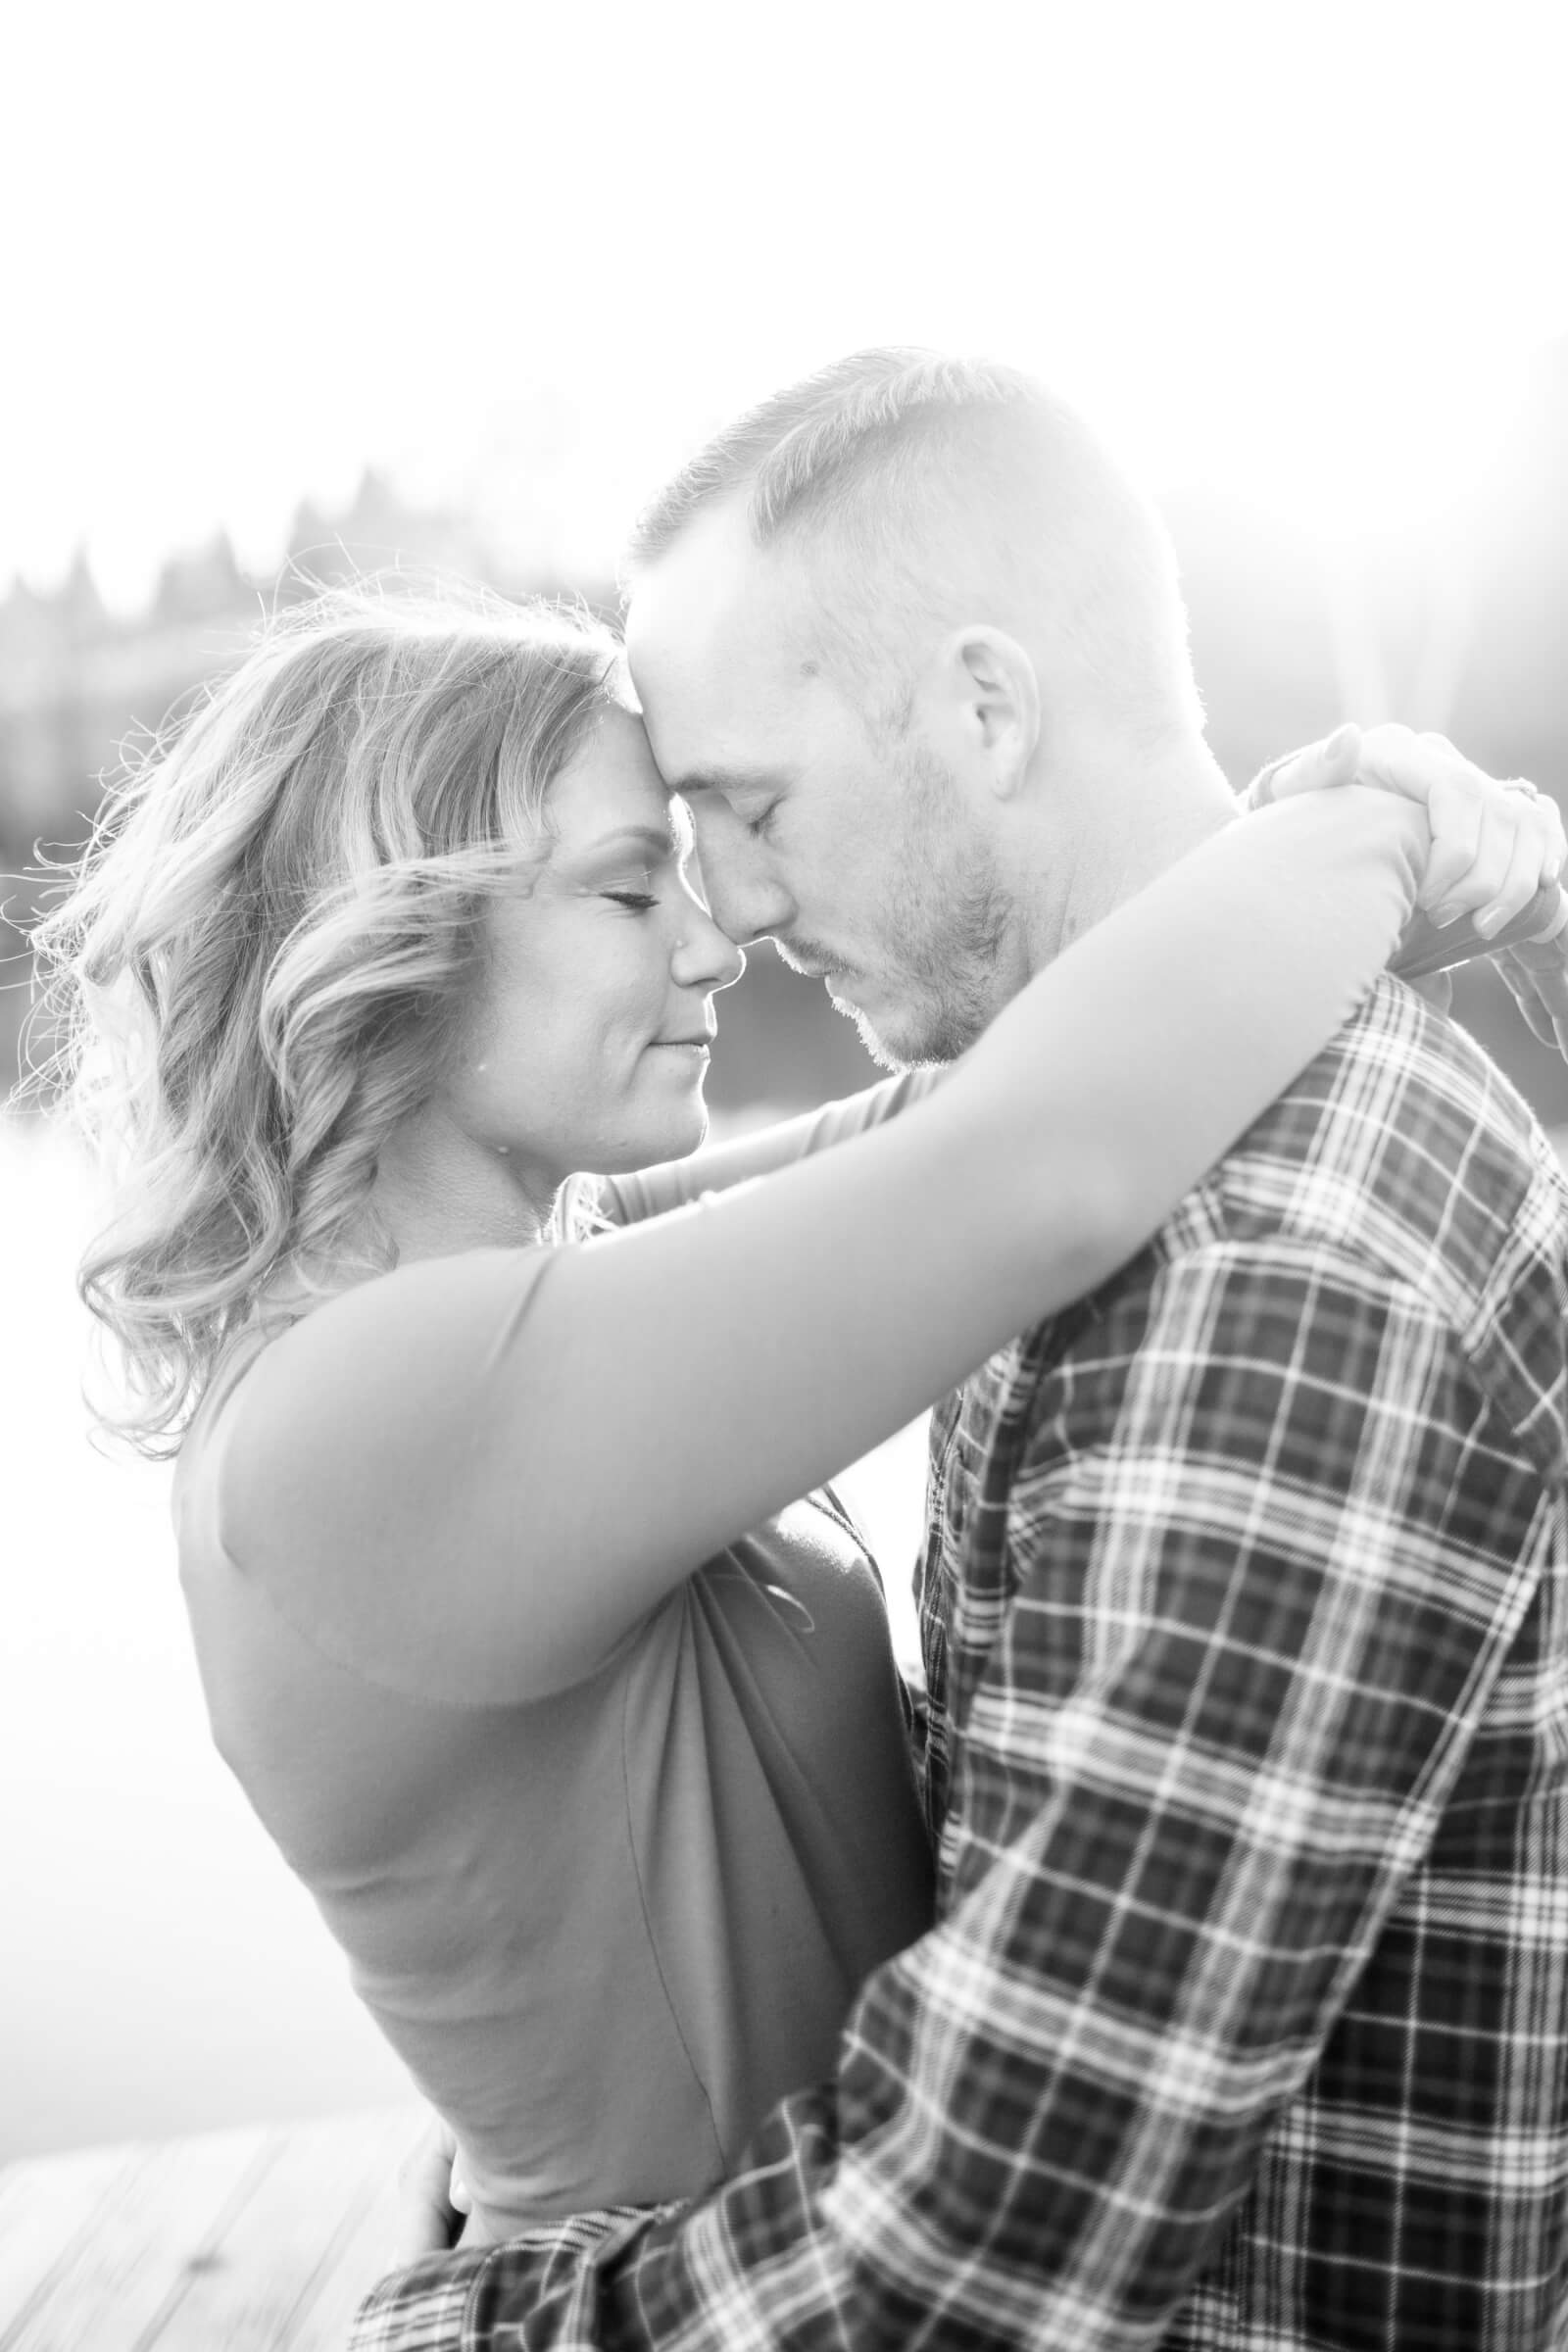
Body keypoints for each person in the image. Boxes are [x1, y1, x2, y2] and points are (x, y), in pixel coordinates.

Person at [351, 353, 1568, 2352]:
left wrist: (481, 2320)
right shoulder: (1084, 1124)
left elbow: (996, 2242)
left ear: (985, 710)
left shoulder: (1272, 1256)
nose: (724, 911)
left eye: (746, 807)